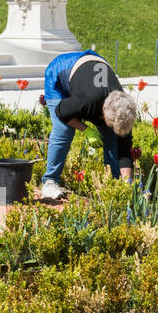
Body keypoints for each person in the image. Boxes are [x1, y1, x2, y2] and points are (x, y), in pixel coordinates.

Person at [39, 50, 138, 200]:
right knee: (64, 131)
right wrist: (86, 130)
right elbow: (61, 111)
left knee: (113, 139)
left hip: (90, 69)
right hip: (60, 72)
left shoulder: (124, 111)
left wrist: (126, 184)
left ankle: (114, 185)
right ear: (103, 113)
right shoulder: (88, 101)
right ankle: (50, 181)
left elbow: (124, 151)